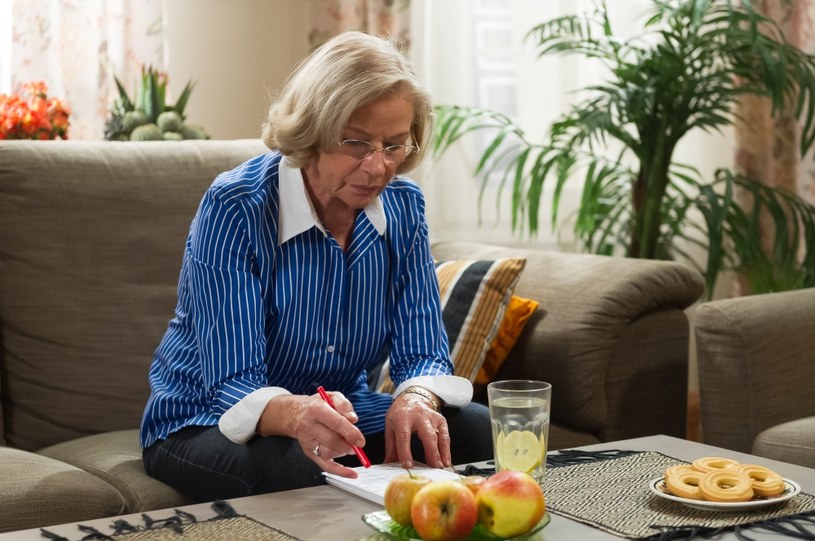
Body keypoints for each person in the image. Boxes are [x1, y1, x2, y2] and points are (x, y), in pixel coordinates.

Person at [140, 31, 493, 501]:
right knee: (301, 469)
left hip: (340, 417)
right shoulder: (236, 205)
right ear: (313, 130)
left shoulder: (404, 207)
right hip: (203, 420)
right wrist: (294, 414)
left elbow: (423, 349)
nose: (377, 168)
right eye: (357, 144)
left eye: (394, 146)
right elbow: (233, 382)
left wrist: (416, 398)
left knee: (477, 430)